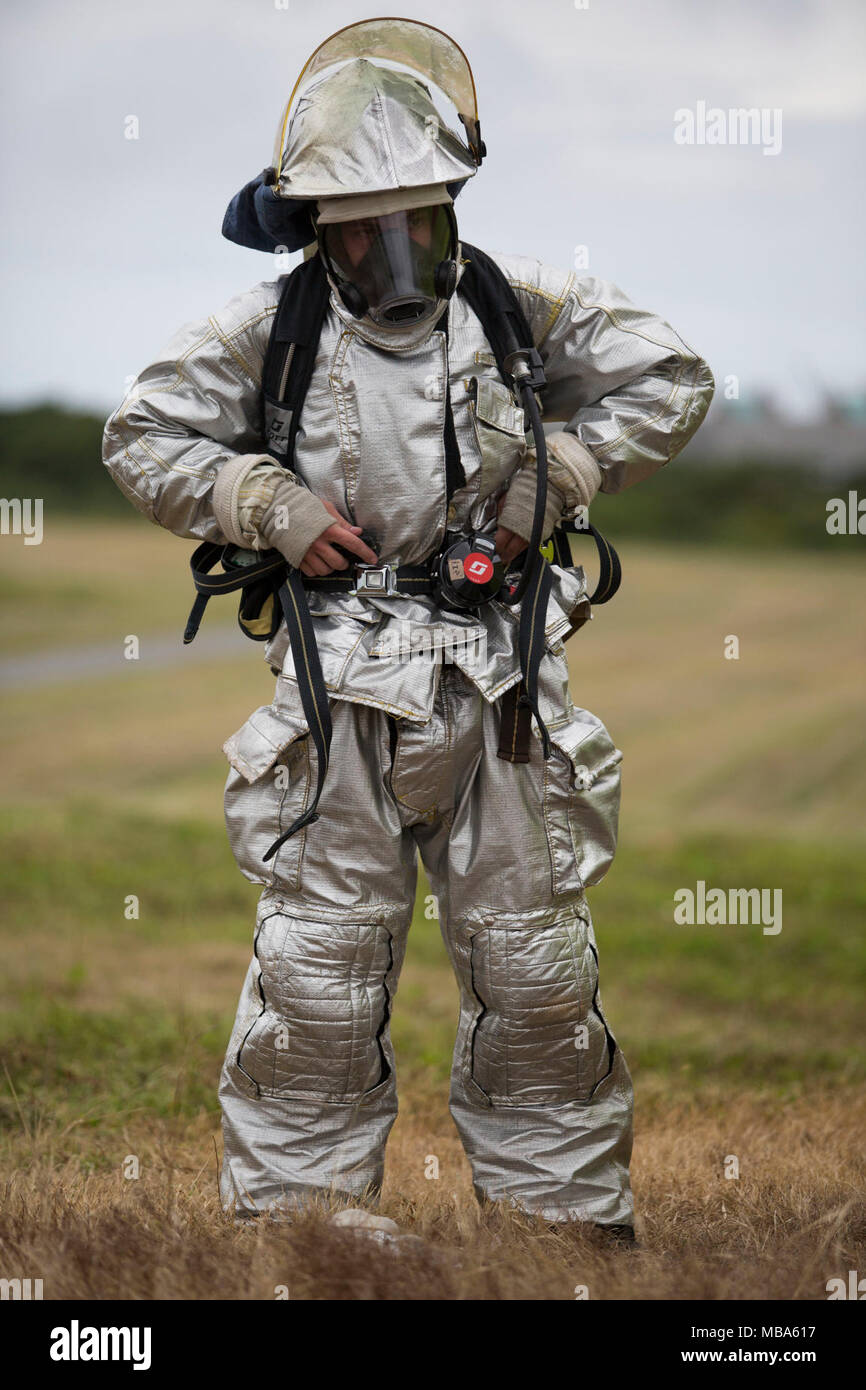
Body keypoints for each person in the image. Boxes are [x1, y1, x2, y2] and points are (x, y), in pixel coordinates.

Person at [103, 18, 714, 1239]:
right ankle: (300, 1232)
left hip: (504, 694)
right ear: (317, 231)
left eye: (416, 224)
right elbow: (141, 434)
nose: (394, 253)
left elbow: (673, 377)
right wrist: (262, 501)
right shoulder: (260, 335)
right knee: (316, 980)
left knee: (534, 974)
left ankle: (557, 1233)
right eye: (364, 230)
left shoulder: (524, 304)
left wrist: (566, 470)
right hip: (333, 697)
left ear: (449, 209)